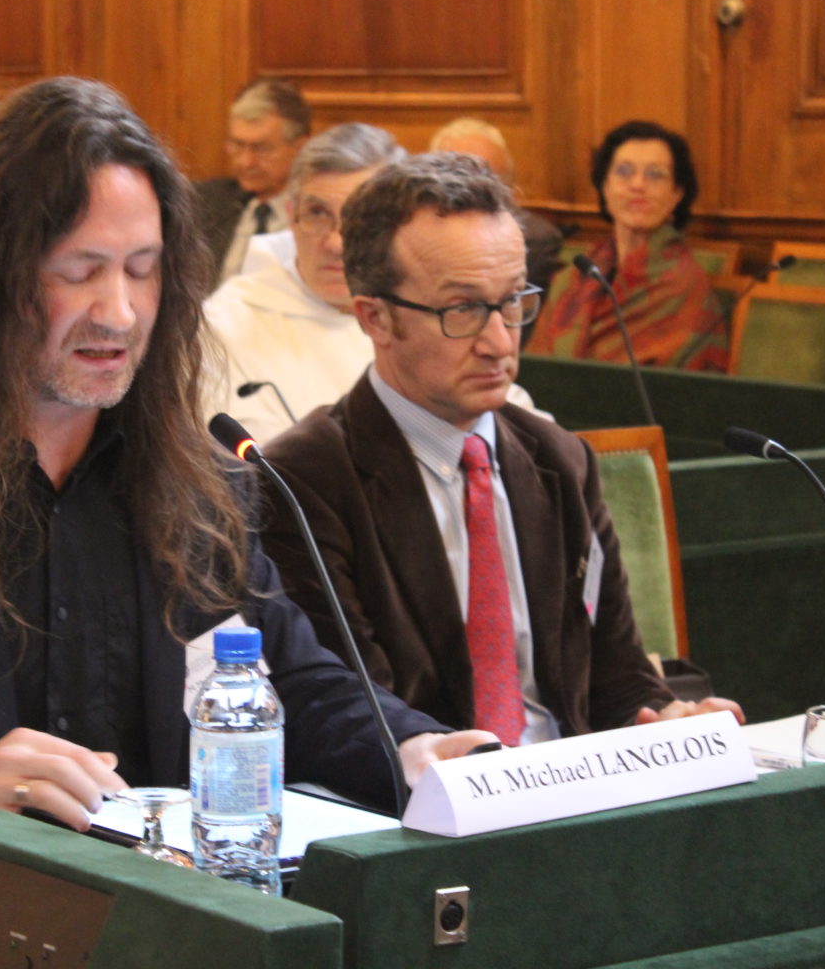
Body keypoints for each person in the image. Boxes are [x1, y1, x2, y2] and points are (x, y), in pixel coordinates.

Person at [0, 77, 491, 830]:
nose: (120, 312)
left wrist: (416, 751)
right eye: (80, 272)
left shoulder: (205, 486)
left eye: (143, 272)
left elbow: (294, 682)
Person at [260, 153, 742, 742]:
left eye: (512, 302)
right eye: (463, 309)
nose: (497, 341)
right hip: (422, 804)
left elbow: (617, 677)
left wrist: (668, 718)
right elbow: (350, 705)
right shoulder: (301, 477)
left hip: (568, 786)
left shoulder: (559, 459)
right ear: (376, 318)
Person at [205, 123, 542, 442]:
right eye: (318, 214)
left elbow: (514, 427)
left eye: (356, 219)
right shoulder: (224, 327)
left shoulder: (430, 310)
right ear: (291, 216)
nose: (336, 243)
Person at [524, 121, 727, 371]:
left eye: (655, 174)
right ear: (605, 188)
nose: (638, 185)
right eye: (624, 171)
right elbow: (537, 369)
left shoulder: (686, 289)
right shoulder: (573, 278)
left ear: (676, 194)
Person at [195, 78, 311, 283]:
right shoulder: (206, 202)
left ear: (300, 148)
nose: (246, 162)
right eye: (237, 145)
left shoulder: (316, 217)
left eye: (261, 148)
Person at [428, 117, 563, 292]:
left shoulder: (533, 239)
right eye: (458, 183)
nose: (472, 197)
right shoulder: (414, 235)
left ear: (509, 190)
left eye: (486, 185)